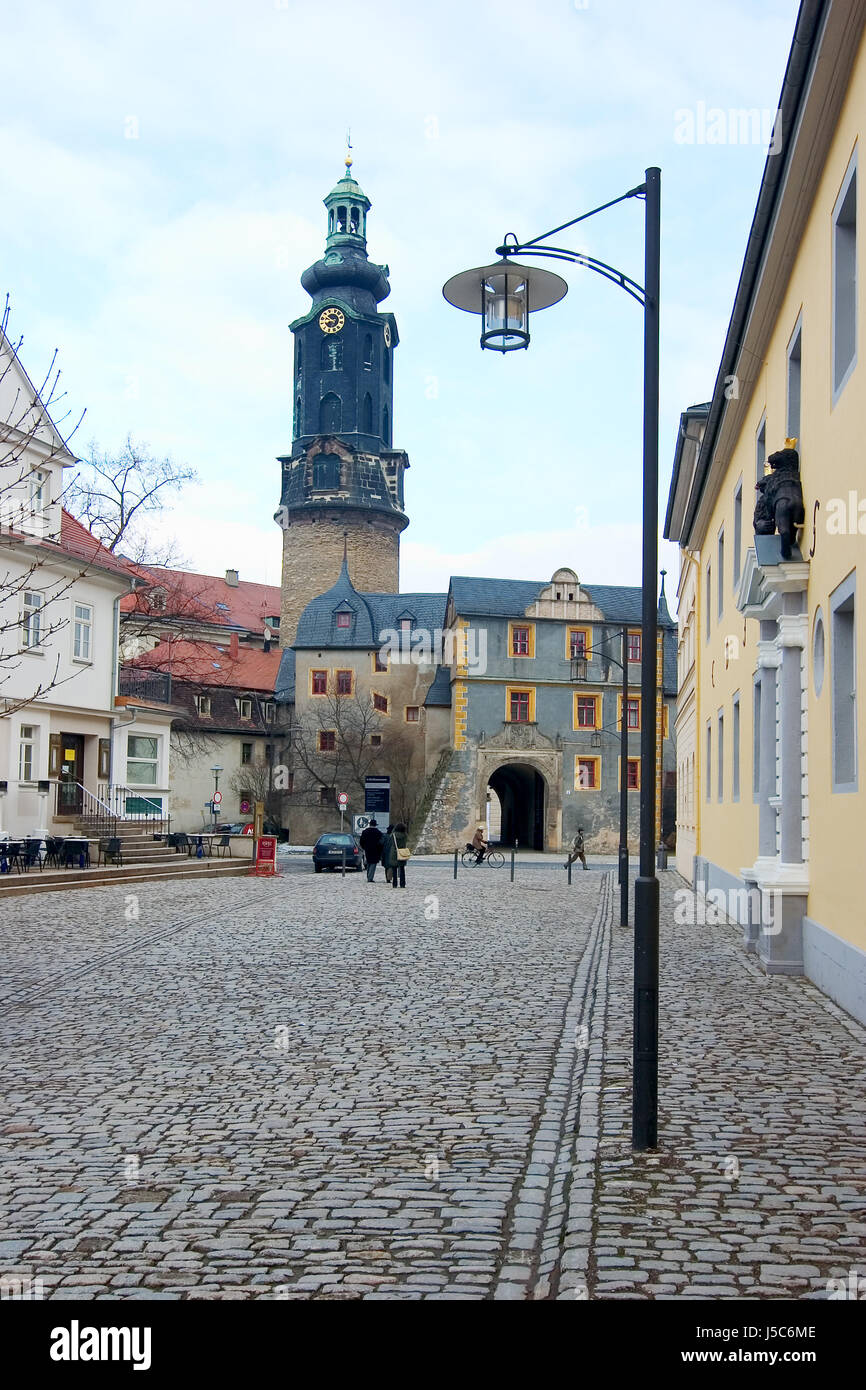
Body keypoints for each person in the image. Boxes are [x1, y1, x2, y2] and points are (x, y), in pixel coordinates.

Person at [359, 818, 384, 882]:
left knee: (369, 862)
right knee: (373, 864)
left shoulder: (365, 832)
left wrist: (364, 847)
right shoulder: (379, 833)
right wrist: (380, 850)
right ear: (375, 825)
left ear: (369, 824)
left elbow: (361, 841)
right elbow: (381, 843)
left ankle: (368, 876)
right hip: (376, 850)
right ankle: (370, 878)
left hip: (367, 849)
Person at [385, 822, 408, 888]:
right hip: (402, 852)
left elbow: (390, 841)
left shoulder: (393, 835)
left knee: (394, 869)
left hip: (394, 853)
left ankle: (394, 883)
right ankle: (402, 884)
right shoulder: (405, 835)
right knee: (402, 869)